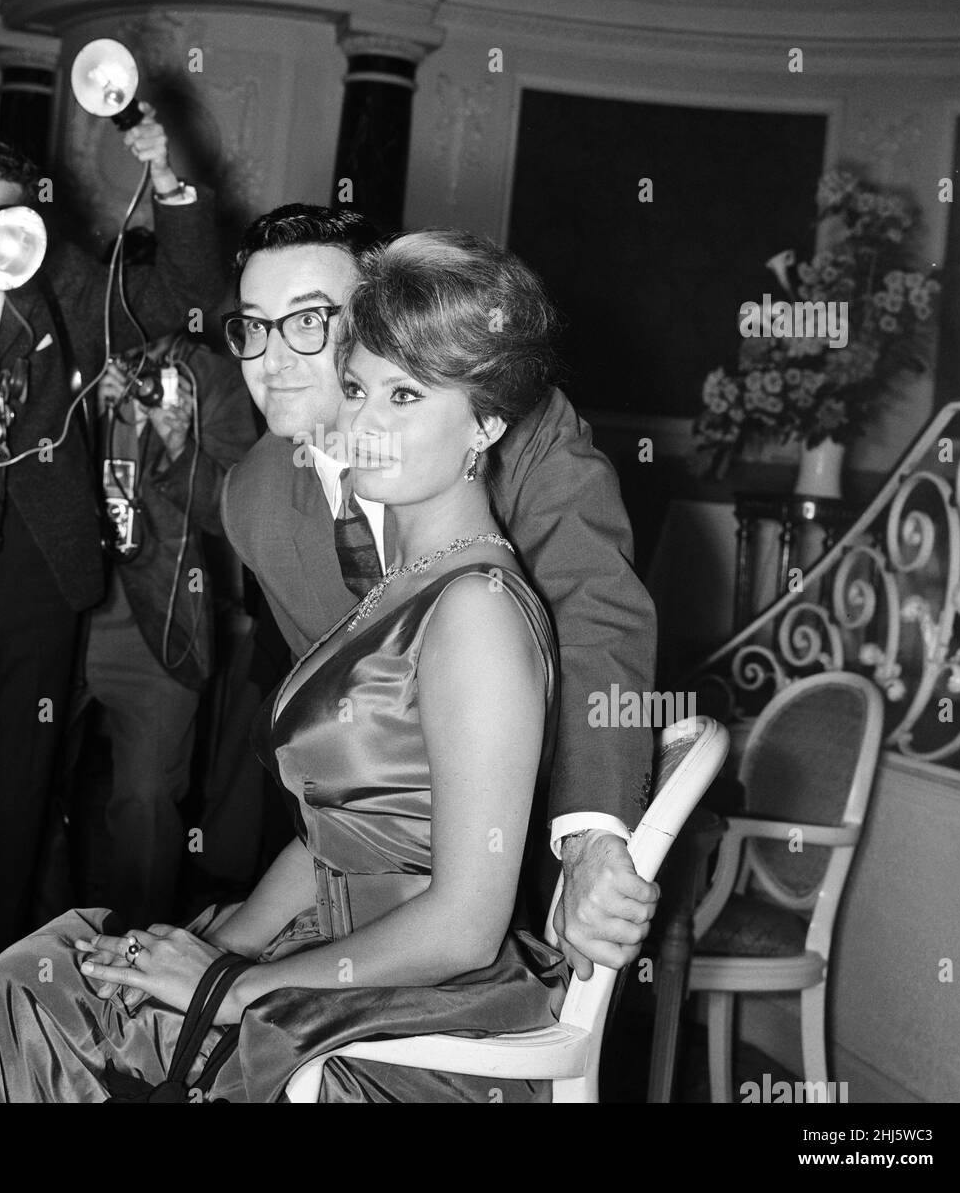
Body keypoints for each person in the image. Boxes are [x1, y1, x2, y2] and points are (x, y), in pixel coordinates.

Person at [0, 229, 572, 1101]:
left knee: (38, 999)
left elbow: (468, 927)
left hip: (408, 1006)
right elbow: (340, 827)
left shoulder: (472, 608)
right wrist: (232, 943)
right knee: (64, 968)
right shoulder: (405, 581)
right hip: (336, 957)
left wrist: (228, 986)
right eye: (359, 388)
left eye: (406, 396)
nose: (364, 424)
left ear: (484, 420)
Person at [219, 205, 661, 975]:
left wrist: (591, 837)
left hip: (517, 863)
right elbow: (353, 761)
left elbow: (596, 615)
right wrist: (230, 953)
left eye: (308, 322)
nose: (272, 359)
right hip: (361, 880)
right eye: (252, 326)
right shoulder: (253, 496)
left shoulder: (517, 423)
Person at [0, 113, 222, 977]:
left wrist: (170, 186)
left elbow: (185, 294)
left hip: (33, 566)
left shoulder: (62, 283)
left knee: (17, 795)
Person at [73, 321, 257, 925]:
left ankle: (137, 954)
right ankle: (36, 947)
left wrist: (180, 444)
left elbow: (234, 508)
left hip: (158, 614)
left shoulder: (213, 378)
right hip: (58, 612)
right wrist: (80, 422)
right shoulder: (69, 351)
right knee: (25, 787)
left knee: (147, 802)